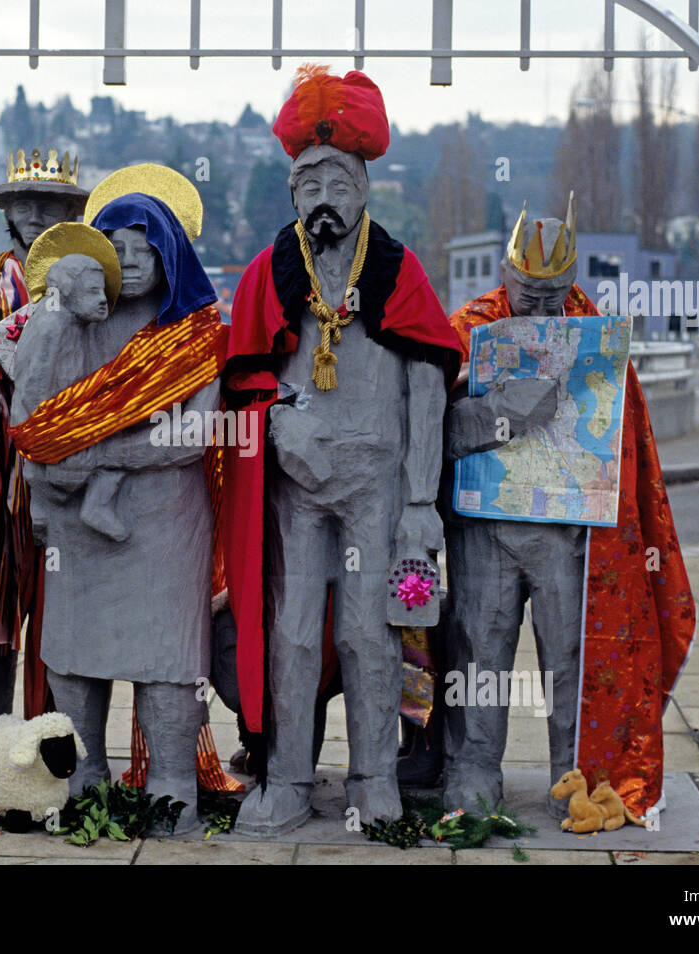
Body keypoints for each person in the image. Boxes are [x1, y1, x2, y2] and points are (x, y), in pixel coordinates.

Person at [221, 65, 465, 835]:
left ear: (363, 185)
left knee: (371, 630)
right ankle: (288, 778)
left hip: (378, 486)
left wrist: (421, 500)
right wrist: (283, 425)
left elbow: (429, 380)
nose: (322, 195)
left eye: (336, 179)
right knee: (293, 631)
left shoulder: (396, 269)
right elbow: (245, 373)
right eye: (307, 181)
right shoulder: (271, 271)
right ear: (292, 192)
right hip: (299, 484)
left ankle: (374, 779)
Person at [442, 195, 695, 819]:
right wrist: (495, 413)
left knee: (571, 654)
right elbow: (428, 427)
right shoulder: (467, 328)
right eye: (529, 291)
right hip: (485, 527)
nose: (541, 305)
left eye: (554, 293)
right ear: (506, 275)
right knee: (481, 644)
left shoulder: (598, 335)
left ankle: (575, 770)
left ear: (573, 281)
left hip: (566, 531)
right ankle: (474, 766)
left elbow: (626, 440)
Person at [10, 193, 227, 832]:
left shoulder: (197, 334)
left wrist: (98, 452)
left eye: (145, 248)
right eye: (116, 249)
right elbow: (34, 419)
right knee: (76, 649)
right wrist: (56, 480)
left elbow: (194, 434)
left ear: (173, 255)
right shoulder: (65, 323)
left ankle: (171, 783)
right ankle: (84, 776)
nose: (130, 262)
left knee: (168, 655)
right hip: (76, 521)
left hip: (166, 521)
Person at [0, 148, 88, 725]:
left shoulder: (92, 286)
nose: (37, 213)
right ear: (7, 211)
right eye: (27, 202)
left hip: (69, 471)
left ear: (72, 214)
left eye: (53, 204)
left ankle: (55, 753)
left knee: (64, 619)